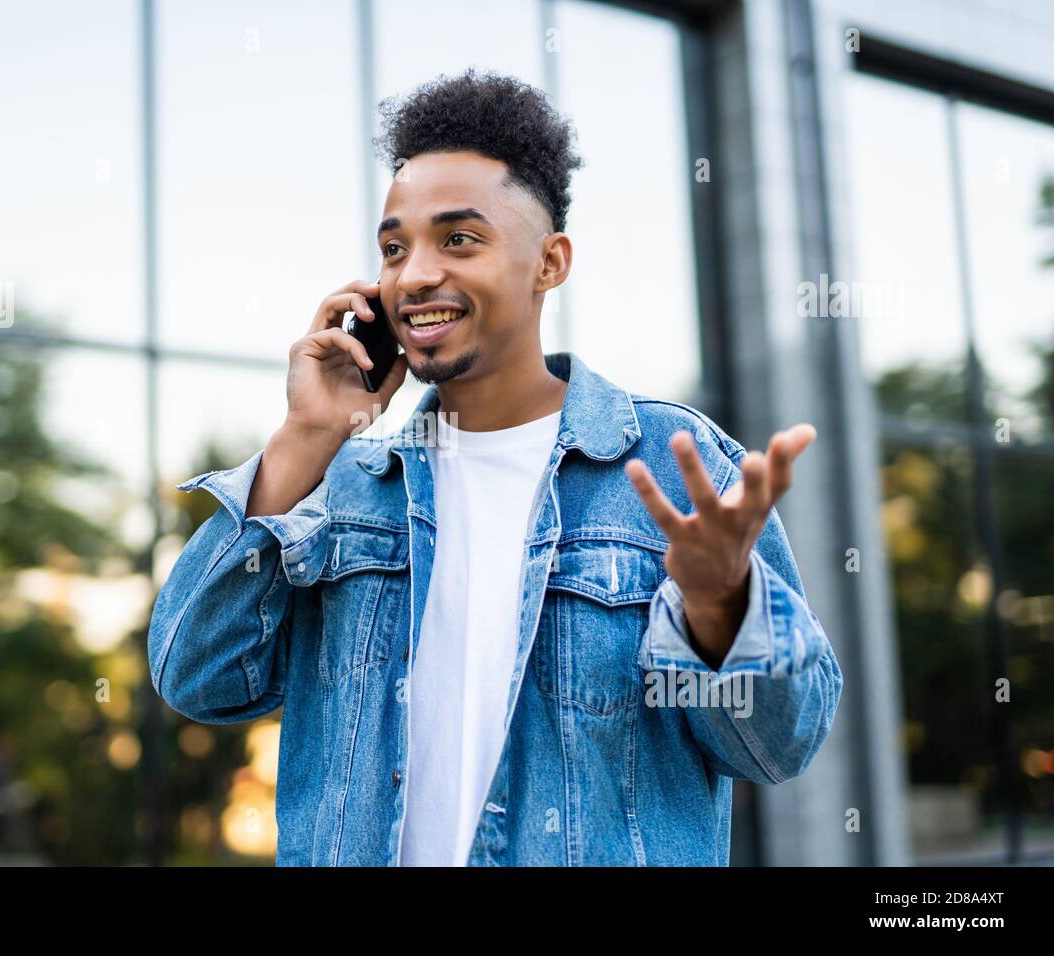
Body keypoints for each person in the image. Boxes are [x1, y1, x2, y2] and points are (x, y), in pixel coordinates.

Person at [148, 68, 842, 866]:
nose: (414, 275)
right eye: (393, 248)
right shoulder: (336, 490)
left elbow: (778, 748)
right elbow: (196, 676)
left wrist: (722, 606)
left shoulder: (673, 471)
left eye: (459, 239)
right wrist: (307, 436)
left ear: (550, 263)